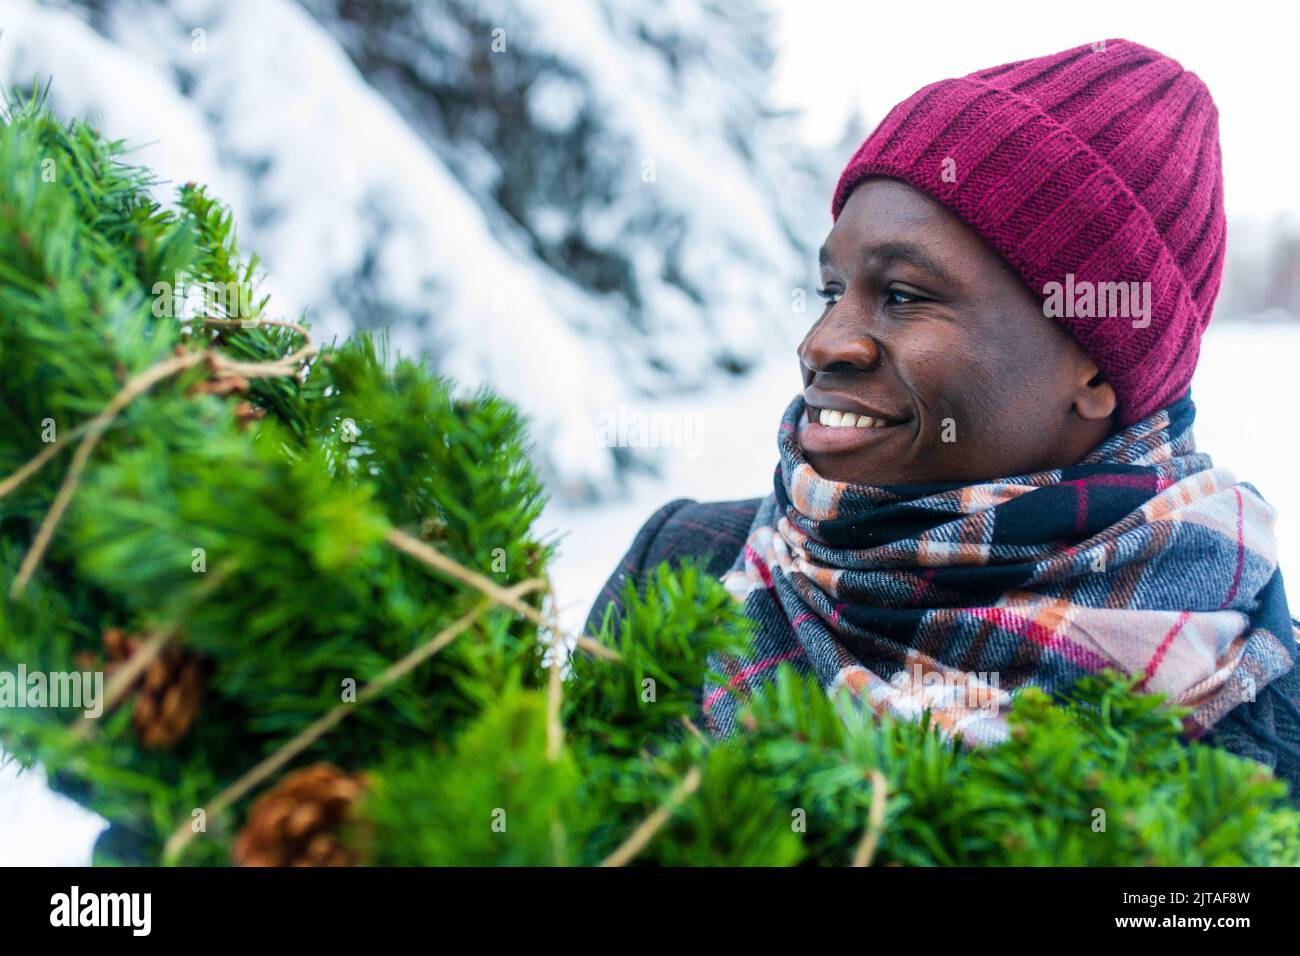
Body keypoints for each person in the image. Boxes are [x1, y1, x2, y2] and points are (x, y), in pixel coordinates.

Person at [586, 38, 1300, 797]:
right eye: (833, 292)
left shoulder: (1261, 720)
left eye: (902, 295)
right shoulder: (680, 569)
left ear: (1094, 366)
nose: (820, 343)